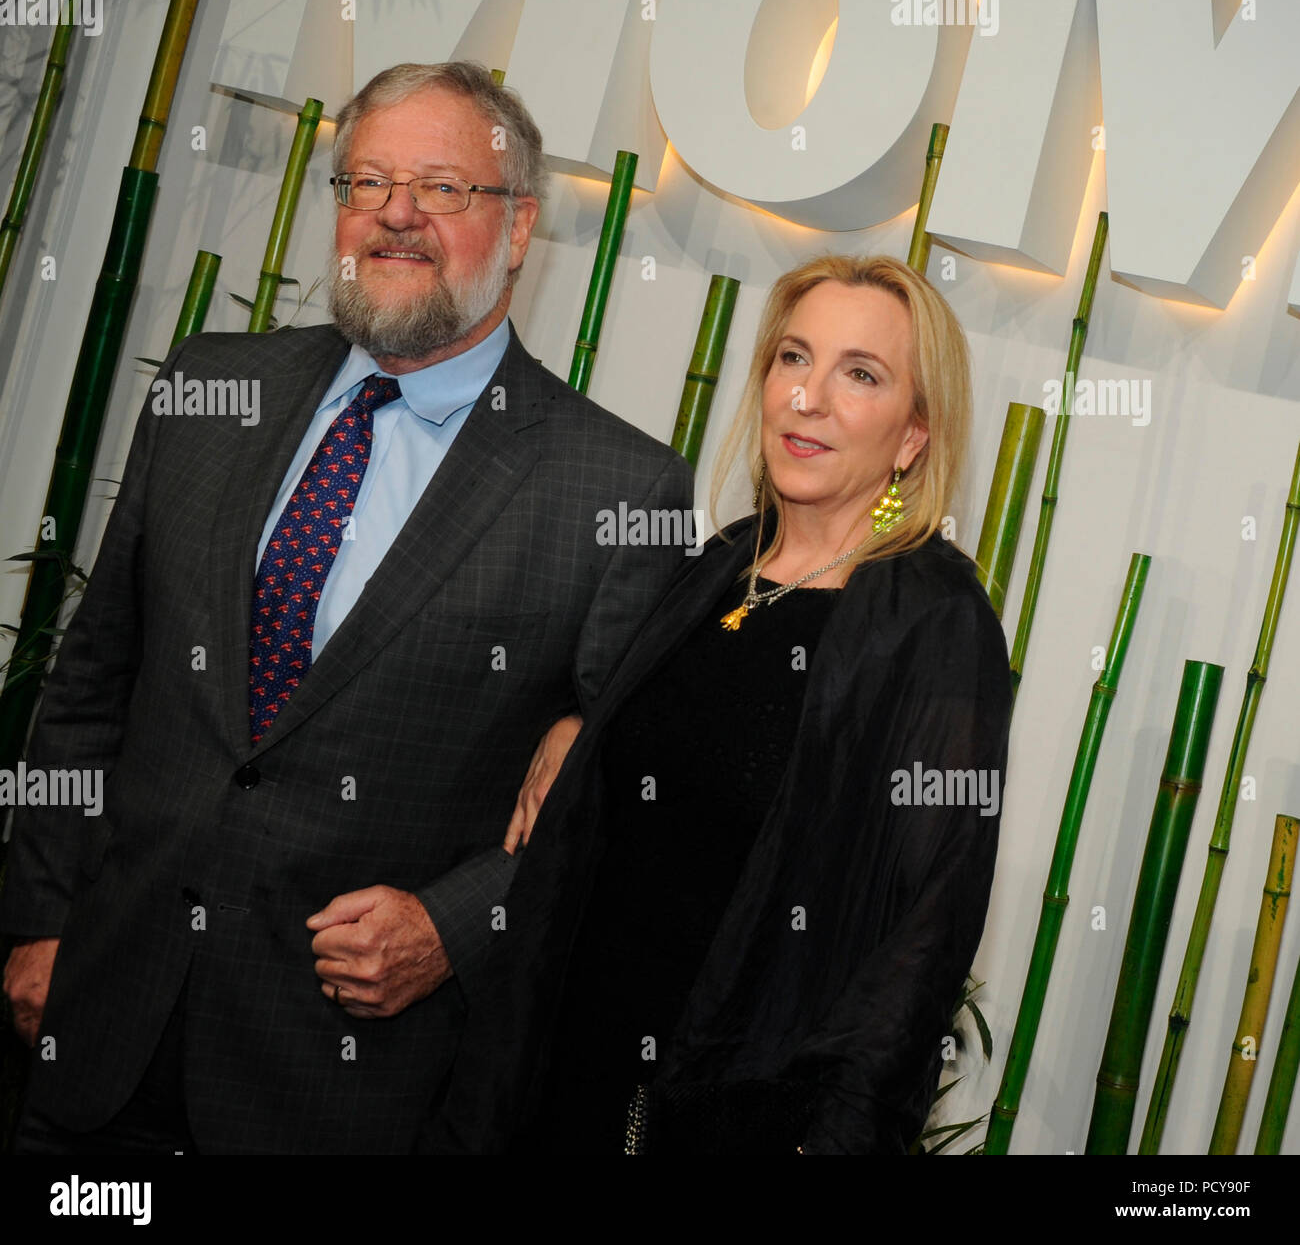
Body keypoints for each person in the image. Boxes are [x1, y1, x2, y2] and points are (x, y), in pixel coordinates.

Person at [0, 61, 694, 1154]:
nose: (397, 213)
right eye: (366, 181)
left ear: (518, 228)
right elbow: (93, 680)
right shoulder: (205, 390)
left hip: (332, 1088)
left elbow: (619, 811)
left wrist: (450, 928)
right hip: (96, 1030)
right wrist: (38, 920)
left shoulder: (616, 491)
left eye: (442, 188)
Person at [437, 254, 1013, 1155]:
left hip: (730, 1115)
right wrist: (577, 725)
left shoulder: (934, 621)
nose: (807, 397)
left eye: (859, 374)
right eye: (793, 358)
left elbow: (924, 928)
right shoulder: (719, 565)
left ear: (912, 436)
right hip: (566, 1068)